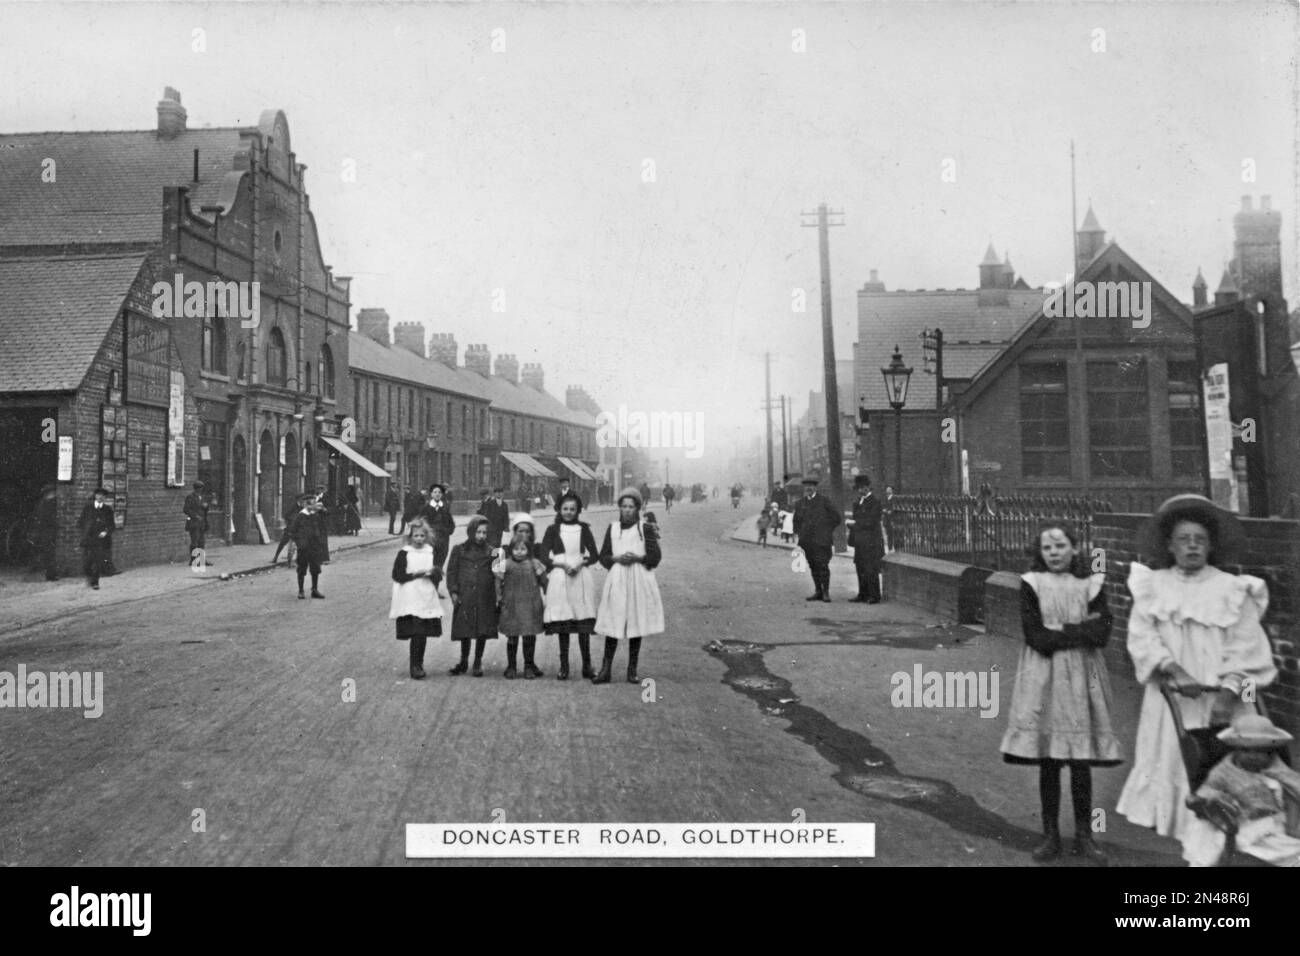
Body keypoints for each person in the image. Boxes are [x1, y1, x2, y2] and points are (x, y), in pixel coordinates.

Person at [1116, 494, 1275, 855]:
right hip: (1175, 691)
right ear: (1170, 546)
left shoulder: (1233, 589)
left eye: (1199, 540)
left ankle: (1232, 820)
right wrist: (1174, 669)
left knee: (1228, 752)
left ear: (1210, 546)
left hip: (1223, 691)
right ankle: (1184, 819)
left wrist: (1229, 693)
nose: (1192, 546)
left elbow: (1248, 647)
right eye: (1184, 540)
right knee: (1177, 753)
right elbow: (1142, 638)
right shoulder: (1151, 586)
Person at [999, 522, 1123, 865]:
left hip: (1083, 677)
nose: (1054, 553)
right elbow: (1035, 636)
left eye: (1060, 546)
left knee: (1080, 759)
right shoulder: (1031, 584)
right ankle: (1050, 834)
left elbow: (1101, 632)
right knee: (1050, 759)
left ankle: (1085, 834)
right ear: (1039, 552)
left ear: (1074, 548)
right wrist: (1077, 632)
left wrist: (1063, 631)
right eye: (1047, 547)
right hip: (1045, 677)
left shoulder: (1091, 583)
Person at [1182, 713, 1300, 867]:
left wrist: (1292, 826)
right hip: (1244, 823)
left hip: (1278, 820)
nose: (1253, 756)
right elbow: (1205, 792)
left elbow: (1292, 792)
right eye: (1245, 750)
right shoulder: (1225, 771)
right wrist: (1215, 798)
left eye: (1260, 751)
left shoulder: (1276, 768)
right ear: (1236, 750)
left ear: (1270, 752)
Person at [592, 488, 664, 684]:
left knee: (635, 622)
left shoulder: (645, 528)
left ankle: (632, 670)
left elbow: (655, 557)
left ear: (638, 508)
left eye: (631, 507)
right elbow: (603, 556)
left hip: (638, 578)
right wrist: (616, 558)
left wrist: (639, 557)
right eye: (623, 506)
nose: (627, 510)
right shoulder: (613, 528)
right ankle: (605, 670)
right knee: (613, 622)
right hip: (618, 578)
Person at [539, 492, 601, 680]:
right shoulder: (552, 530)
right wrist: (562, 565)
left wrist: (581, 564)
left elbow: (595, 555)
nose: (568, 512)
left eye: (572, 509)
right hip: (560, 577)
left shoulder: (584, 529)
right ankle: (564, 666)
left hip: (580, 578)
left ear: (578, 511)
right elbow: (543, 555)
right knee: (564, 623)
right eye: (565, 509)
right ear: (559, 509)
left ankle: (587, 666)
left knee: (582, 623)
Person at [390, 519, 444, 680]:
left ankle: (418, 663)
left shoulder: (430, 551)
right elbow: (397, 575)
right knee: (417, 631)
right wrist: (417, 574)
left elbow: (436, 573)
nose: (419, 539)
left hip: (425, 594)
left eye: (422, 536)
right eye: (416, 536)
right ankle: (415, 665)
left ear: (426, 536)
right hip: (410, 594)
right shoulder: (404, 552)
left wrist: (435, 573)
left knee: (422, 632)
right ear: (410, 537)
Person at [446, 515, 499, 676]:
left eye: (484, 533)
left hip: (484, 597)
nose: (481, 536)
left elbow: (499, 575)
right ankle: (463, 661)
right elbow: (452, 571)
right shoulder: (459, 549)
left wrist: (498, 595)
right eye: (478, 532)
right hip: (466, 596)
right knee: (465, 629)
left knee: (482, 629)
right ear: (471, 532)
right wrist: (454, 591)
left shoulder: (493, 552)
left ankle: (477, 661)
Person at [495, 533, 548, 680]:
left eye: (523, 549)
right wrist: (499, 597)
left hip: (530, 606)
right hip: (511, 606)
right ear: (511, 549)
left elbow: (544, 581)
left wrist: (548, 593)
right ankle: (511, 667)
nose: (519, 552)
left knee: (529, 637)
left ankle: (529, 666)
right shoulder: (505, 564)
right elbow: (498, 582)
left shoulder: (534, 564)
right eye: (516, 549)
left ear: (528, 550)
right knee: (512, 637)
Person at [792, 477, 840, 602]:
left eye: (811, 486)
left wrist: (826, 530)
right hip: (808, 542)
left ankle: (826, 592)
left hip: (822, 541)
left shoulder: (824, 501)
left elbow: (836, 517)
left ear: (815, 487)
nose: (808, 488)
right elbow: (796, 521)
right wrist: (800, 534)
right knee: (813, 565)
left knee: (823, 565)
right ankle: (818, 590)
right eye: (806, 486)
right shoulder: (800, 503)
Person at [847, 474, 884, 603]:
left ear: (868, 487)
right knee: (860, 568)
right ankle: (862, 594)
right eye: (859, 488)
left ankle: (874, 595)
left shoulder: (875, 502)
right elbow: (857, 518)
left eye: (863, 487)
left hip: (871, 541)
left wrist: (855, 524)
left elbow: (871, 521)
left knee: (871, 569)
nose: (860, 490)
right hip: (860, 541)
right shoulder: (857, 502)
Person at [285, 492, 328, 599]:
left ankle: (314, 589)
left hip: (314, 546)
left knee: (315, 568)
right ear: (304, 504)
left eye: (313, 504)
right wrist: (300, 543)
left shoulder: (315, 515)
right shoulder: (300, 516)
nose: (311, 506)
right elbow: (293, 532)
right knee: (302, 568)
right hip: (304, 547)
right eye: (309, 504)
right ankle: (301, 590)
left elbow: (323, 525)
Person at [78, 487, 114, 589]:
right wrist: (85, 532)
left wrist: (105, 532)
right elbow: (80, 522)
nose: (100, 497)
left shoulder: (108, 510)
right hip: (89, 539)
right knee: (87, 562)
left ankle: (95, 582)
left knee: (97, 561)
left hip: (101, 540)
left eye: (103, 496)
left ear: (105, 498)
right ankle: (89, 578)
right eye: (98, 495)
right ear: (95, 496)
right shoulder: (88, 508)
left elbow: (112, 525)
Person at [418, 483, 456, 571]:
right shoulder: (426, 508)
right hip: (430, 540)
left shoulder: (445, 508)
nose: (437, 494)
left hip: (443, 541)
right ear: (431, 494)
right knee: (430, 565)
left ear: (442, 494)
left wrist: (448, 531)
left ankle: (436, 582)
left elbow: (451, 523)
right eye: (435, 492)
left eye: (439, 492)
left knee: (439, 565)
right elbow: (421, 523)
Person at [31, 483, 59, 581]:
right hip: (48, 531)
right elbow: (50, 518)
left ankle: (49, 573)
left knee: (47, 552)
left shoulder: (41, 503)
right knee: (50, 553)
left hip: (43, 531)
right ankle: (51, 575)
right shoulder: (49, 504)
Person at [477, 486, 511, 553]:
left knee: (498, 544)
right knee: (491, 544)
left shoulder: (505, 505)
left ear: (503, 494)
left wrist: (506, 526)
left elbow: (506, 516)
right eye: (497, 492)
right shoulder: (490, 504)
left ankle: (495, 560)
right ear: (494, 494)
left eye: (500, 492)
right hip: (491, 528)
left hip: (500, 529)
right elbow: (487, 516)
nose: (499, 494)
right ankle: (490, 559)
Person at [183, 481, 209, 565]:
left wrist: (206, 506)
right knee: (195, 541)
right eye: (199, 488)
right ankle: (193, 560)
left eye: (201, 488)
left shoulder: (202, 497)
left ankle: (201, 560)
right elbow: (186, 509)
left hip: (202, 523)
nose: (200, 490)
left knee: (201, 542)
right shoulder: (190, 497)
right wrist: (195, 516)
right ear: (196, 488)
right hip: (194, 523)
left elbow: (205, 509)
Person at [882, 486, 896, 553]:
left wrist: (890, 511)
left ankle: (895, 548)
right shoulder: (885, 498)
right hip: (886, 519)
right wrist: (884, 510)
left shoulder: (894, 498)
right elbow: (882, 506)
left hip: (892, 519)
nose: (888, 491)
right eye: (887, 490)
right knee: (888, 535)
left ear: (892, 491)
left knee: (893, 534)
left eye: (889, 489)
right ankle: (890, 549)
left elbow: (894, 508)